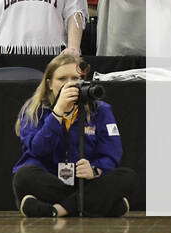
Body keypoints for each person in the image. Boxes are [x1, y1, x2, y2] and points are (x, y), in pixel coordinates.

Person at [12, 53, 137, 217]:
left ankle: (56, 210)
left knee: (128, 177)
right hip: (51, 180)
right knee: (24, 176)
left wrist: (95, 170)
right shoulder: (33, 110)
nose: (69, 84)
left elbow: (112, 153)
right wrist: (57, 112)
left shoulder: (101, 109)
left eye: (75, 78)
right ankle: (101, 206)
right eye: (62, 79)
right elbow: (38, 150)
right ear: (49, 83)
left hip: (86, 182)